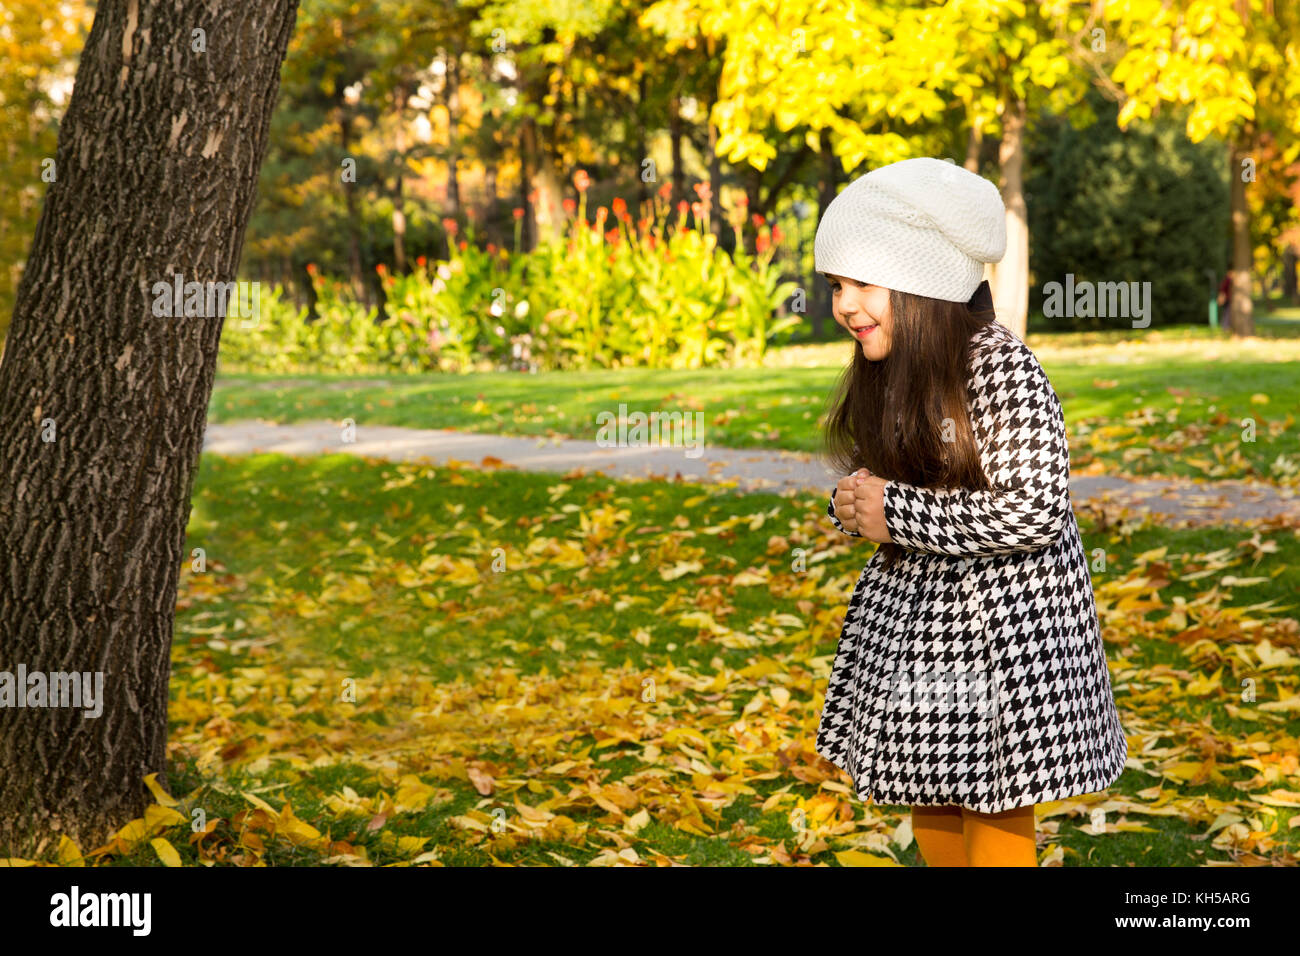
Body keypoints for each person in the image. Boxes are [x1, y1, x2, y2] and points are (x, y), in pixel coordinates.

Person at [812, 157, 1127, 867]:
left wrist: (897, 512)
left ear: (924, 284)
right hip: (931, 621)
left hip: (1008, 628)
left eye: (864, 283)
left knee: (996, 793)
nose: (845, 305)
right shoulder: (899, 369)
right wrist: (859, 502)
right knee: (933, 785)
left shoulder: (998, 365)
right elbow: (903, 486)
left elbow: (1035, 508)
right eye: (836, 285)